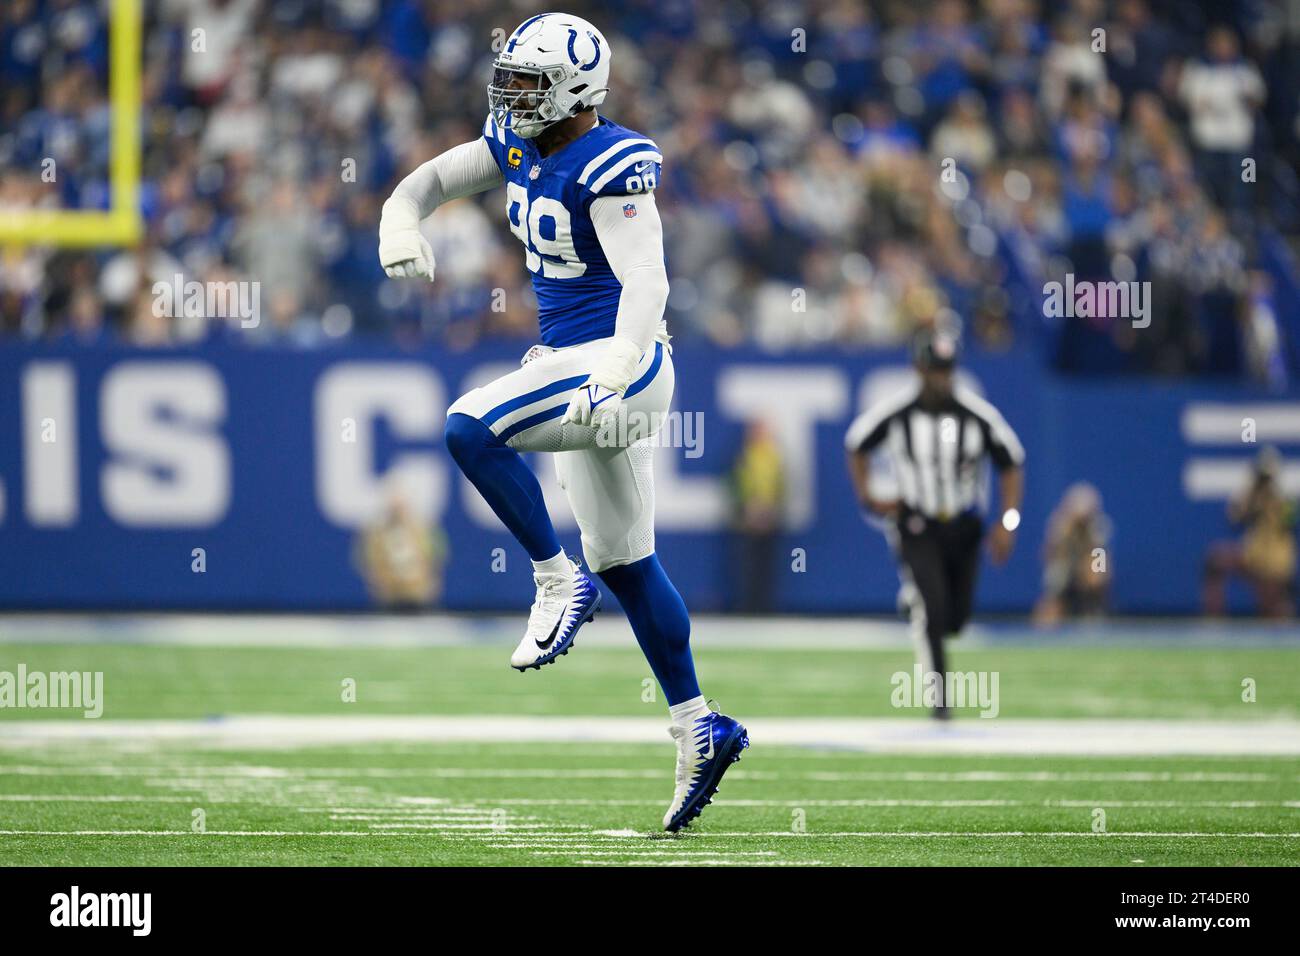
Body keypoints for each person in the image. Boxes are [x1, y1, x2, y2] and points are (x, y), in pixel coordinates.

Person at [376, 13, 746, 832]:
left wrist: (613, 373)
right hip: (576, 366)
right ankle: (699, 724)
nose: (510, 96)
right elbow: (424, 185)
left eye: (528, 82)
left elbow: (648, 287)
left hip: (627, 365)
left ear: (577, 91)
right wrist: (398, 224)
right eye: (508, 77)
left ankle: (552, 578)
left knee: (469, 426)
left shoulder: (613, 164)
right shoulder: (517, 142)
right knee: (627, 562)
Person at [845, 328, 1025, 718]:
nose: (941, 378)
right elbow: (857, 444)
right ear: (918, 369)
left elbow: (1011, 461)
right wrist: (869, 497)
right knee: (933, 606)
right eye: (934, 370)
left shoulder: (977, 416)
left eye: (947, 370)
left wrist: (1008, 522)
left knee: (956, 619)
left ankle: (917, 602)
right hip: (916, 523)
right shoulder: (897, 414)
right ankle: (940, 701)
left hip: (963, 527)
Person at [1203, 447, 1296, 618]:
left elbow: (1287, 521)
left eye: (1266, 478)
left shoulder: (1282, 499)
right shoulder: (1252, 495)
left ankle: (1285, 630)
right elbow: (1234, 517)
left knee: (1272, 610)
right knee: (1215, 562)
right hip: (1253, 556)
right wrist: (1250, 494)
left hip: (1274, 563)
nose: (1263, 481)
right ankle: (1214, 621)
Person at [1033, 482, 1112, 626]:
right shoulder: (1060, 526)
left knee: (1095, 578)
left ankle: (1092, 618)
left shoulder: (1098, 529)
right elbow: (1049, 557)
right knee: (1054, 586)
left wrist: (1089, 574)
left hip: (1087, 577)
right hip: (1065, 570)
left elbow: (1099, 564)